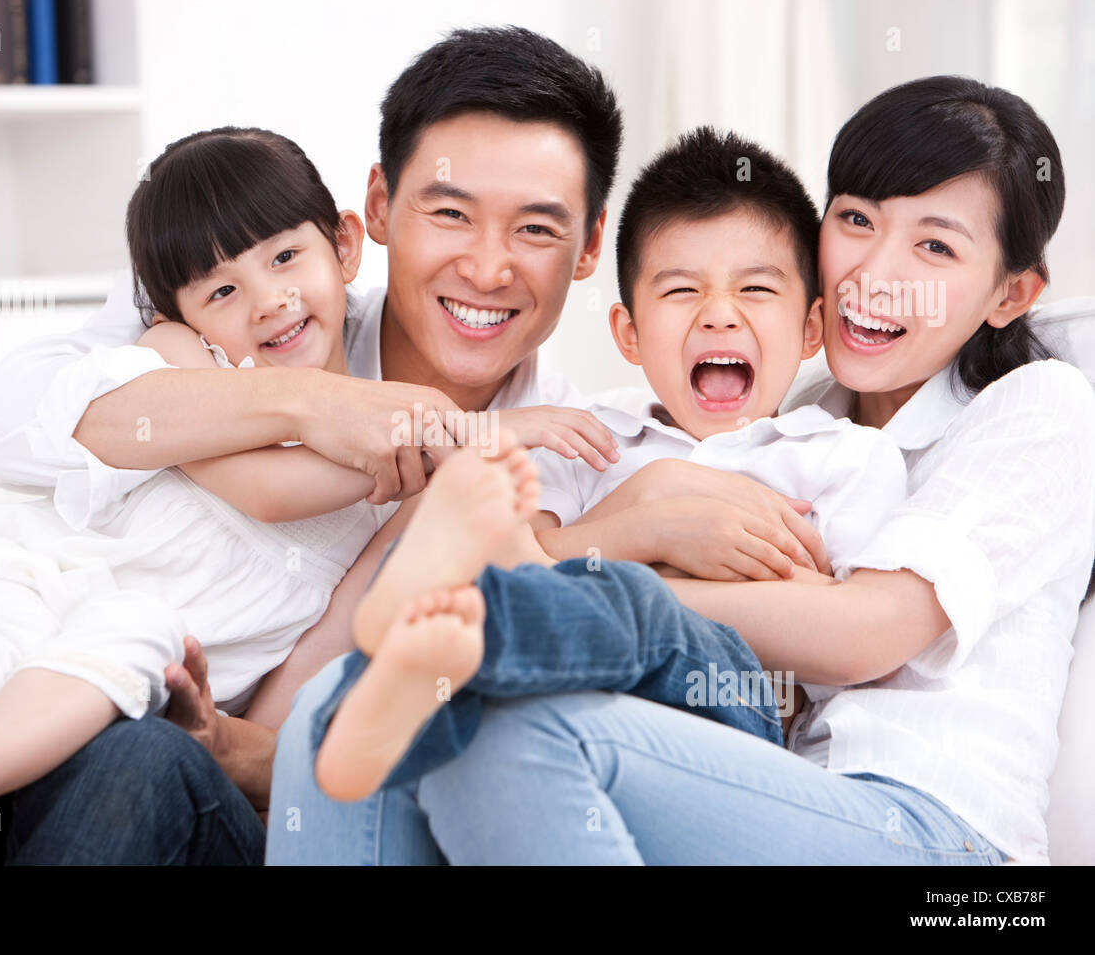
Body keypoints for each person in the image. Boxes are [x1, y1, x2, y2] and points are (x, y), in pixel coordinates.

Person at [0, 25, 652, 865]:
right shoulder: (245, 298)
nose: (488, 267)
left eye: (536, 229)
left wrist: (221, 737)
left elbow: (344, 704)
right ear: (380, 212)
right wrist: (306, 401)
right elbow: (10, 425)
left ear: (587, 249)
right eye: (453, 212)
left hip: (178, 735)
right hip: (42, 636)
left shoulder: (561, 458)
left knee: (132, 756)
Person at [267, 76, 1095, 866]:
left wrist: (597, 568)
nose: (876, 275)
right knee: (333, 707)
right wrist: (633, 532)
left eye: (937, 246)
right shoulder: (782, 405)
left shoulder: (1036, 403)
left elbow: (865, 631)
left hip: (939, 838)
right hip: (766, 786)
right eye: (856, 220)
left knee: (515, 735)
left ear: (1010, 294)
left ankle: (504, 611)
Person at [308, 127, 911, 803]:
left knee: (630, 603)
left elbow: (846, 623)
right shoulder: (593, 438)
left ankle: (453, 635)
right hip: (563, 709)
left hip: (740, 717)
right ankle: (401, 692)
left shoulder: (843, 456)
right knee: (473, 572)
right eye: (682, 291)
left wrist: (626, 561)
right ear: (629, 332)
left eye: (756, 291)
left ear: (810, 328)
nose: (719, 316)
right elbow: (525, 552)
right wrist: (649, 533)